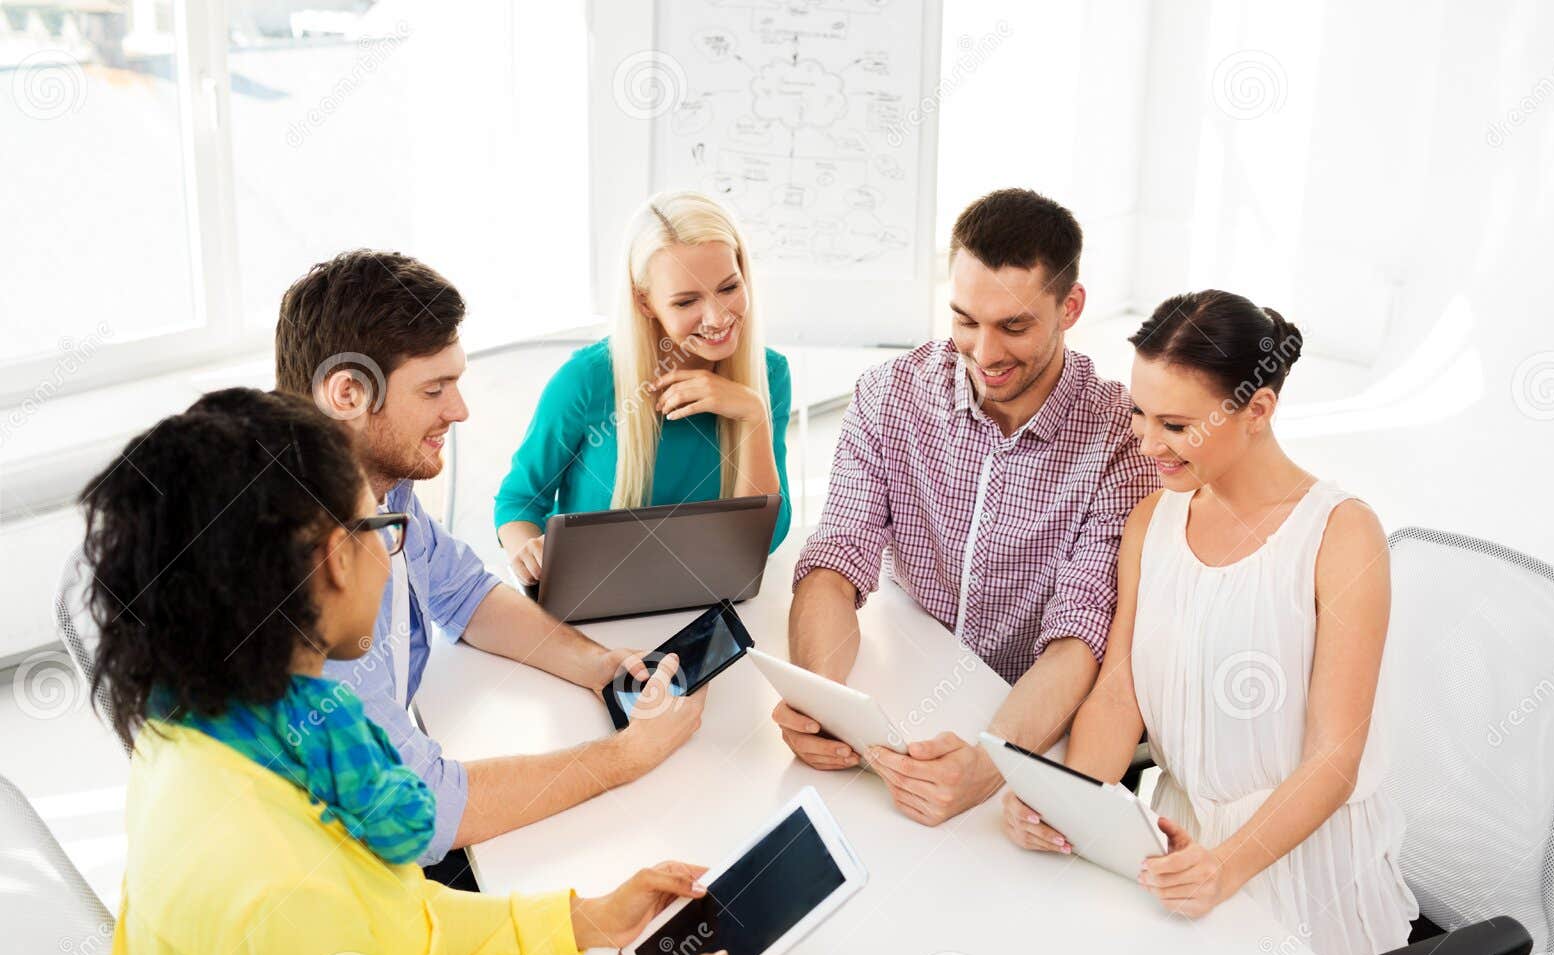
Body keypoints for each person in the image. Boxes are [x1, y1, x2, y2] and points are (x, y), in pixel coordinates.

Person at [90, 388, 781, 955]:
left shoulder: (204, 736)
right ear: (336, 559)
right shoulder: (292, 900)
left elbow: (388, 919)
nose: (394, 554)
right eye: (385, 528)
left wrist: (581, 920)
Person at [1000, 290, 1418, 955]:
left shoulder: (1340, 535)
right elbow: (1117, 696)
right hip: (1173, 848)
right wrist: (1068, 806)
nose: (1145, 442)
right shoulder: (1152, 522)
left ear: (1257, 410)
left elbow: (1335, 761)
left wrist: (1225, 867)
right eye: (1140, 414)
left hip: (1292, 867)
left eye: (1175, 424)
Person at [274, 251, 705, 869]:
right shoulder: (307, 569)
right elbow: (417, 812)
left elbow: (463, 592)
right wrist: (627, 756)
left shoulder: (375, 485)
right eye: (434, 389)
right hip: (332, 881)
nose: (460, 410)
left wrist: (601, 667)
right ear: (348, 393)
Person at [774, 188, 1160, 826]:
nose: (984, 353)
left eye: (1014, 326)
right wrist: (821, 698)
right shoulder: (889, 395)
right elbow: (837, 558)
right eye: (964, 320)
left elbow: (1080, 636)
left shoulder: (1120, 440)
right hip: (902, 687)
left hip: (1030, 721)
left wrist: (991, 763)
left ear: (1071, 307)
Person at [495, 191, 793, 584]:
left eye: (728, 288)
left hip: (709, 601)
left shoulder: (768, 374)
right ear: (645, 302)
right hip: (598, 602)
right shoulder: (586, 380)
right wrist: (527, 549)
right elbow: (519, 501)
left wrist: (752, 413)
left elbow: (763, 539)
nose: (719, 316)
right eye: (687, 301)